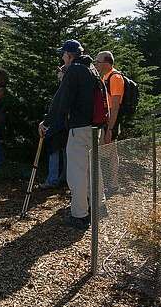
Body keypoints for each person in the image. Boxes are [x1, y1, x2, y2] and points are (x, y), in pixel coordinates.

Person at [40, 40, 105, 229]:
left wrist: (47, 122)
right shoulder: (91, 69)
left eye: (63, 54)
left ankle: (79, 215)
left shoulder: (74, 71)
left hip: (79, 129)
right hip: (95, 129)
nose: (61, 57)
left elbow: (62, 100)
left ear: (69, 55)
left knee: (76, 173)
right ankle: (98, 207)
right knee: (93, 170)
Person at [95, 51, 125, 195]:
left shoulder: (115, 78)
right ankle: (111, 184)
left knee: (110, 154)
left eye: (98, 62)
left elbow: (115, 105)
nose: (96, 64)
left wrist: (110, 129)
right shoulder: (106, 77)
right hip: (106, 122)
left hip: (110, 123)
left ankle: (112, 185)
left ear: (107, 63)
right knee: (109, 153)